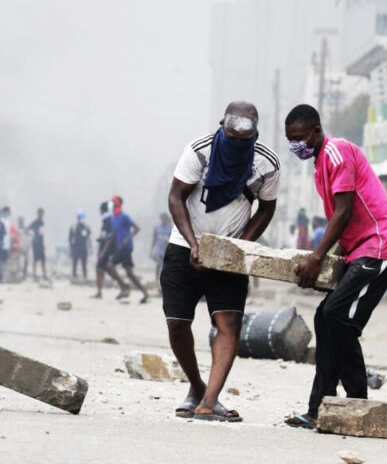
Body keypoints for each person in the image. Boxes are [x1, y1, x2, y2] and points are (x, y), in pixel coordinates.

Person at [283, 104, 387, 429]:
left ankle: (356, 404)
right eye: (290, 140)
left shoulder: (336, 152)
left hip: (381, 246)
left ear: (315, 131)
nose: (296, 144)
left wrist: (317, 257)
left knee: (337, 316)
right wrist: (332, 261)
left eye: (299, 137)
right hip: (361, 250)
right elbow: (345, 222)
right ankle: (319, 408)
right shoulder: (320, 163)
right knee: (326, 319)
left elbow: (343, 212)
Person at [164, 101, 279, 422]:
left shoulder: (266, 163)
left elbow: (267, 209)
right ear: (222, 128)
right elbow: (175, 196)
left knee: (228, 325)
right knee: (177, 324)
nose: (238, 145)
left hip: (229, 255)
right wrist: (193, 243)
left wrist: (239, 246)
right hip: (184, 246)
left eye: (245, 140)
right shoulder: (199, 152)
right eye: (232, 139)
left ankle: (208, 402)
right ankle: (197, 386)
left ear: (255, 134)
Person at [109, 196, 149, 303]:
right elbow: (114, 233)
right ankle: (144, 292)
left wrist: (127, 238)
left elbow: (137, 228)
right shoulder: (113, 218)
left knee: (110, 266)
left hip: (126, 247)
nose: (111, 205)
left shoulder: (124, 217)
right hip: (120, 248)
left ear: (118, 204)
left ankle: (124, 287)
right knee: (129, 273)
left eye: (113, 203)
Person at [93, 201, 127, 298]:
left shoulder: (108, 220)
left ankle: (123, 286)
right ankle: (100, 292)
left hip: (107, 249)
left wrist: (103, 251)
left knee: (105, 269)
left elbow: (111, 236)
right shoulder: (106, 220)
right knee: (102, 269)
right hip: (105, 247)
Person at [69, 211, 92, 280]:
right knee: (75, 262)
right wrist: (71, 247)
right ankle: (74, 275)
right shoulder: (74, 226)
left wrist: (90, 247)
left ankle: (85, 276)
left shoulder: (86, 227)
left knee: (84, 263)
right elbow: (70, 238)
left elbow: (88, 237)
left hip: (83, 247)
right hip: (76, 247)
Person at [151, 213, 173, 285]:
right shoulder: (157, 228)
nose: (164, 220)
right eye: (162, 219)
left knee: (165, 265)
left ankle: (165, 280)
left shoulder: (170, 227)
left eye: (165, 218)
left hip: (167, 251)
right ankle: (157, 279)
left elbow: (173, 239)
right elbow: (154, 239)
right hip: (159, 251)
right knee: (159, 265)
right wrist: (151, 250)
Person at [29, 208, 48, 282]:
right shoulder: (35, 222)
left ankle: (44, 275)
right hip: (36, 244)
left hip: (40, 243)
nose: (41, 215)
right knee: (35, 260)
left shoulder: (42, 223)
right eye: (40, 213)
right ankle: (34, 275)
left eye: (42, 213)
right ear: (38, 214)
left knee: (43, 260)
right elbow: (28, 229)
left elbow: (42, 234)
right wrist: (32, 235)